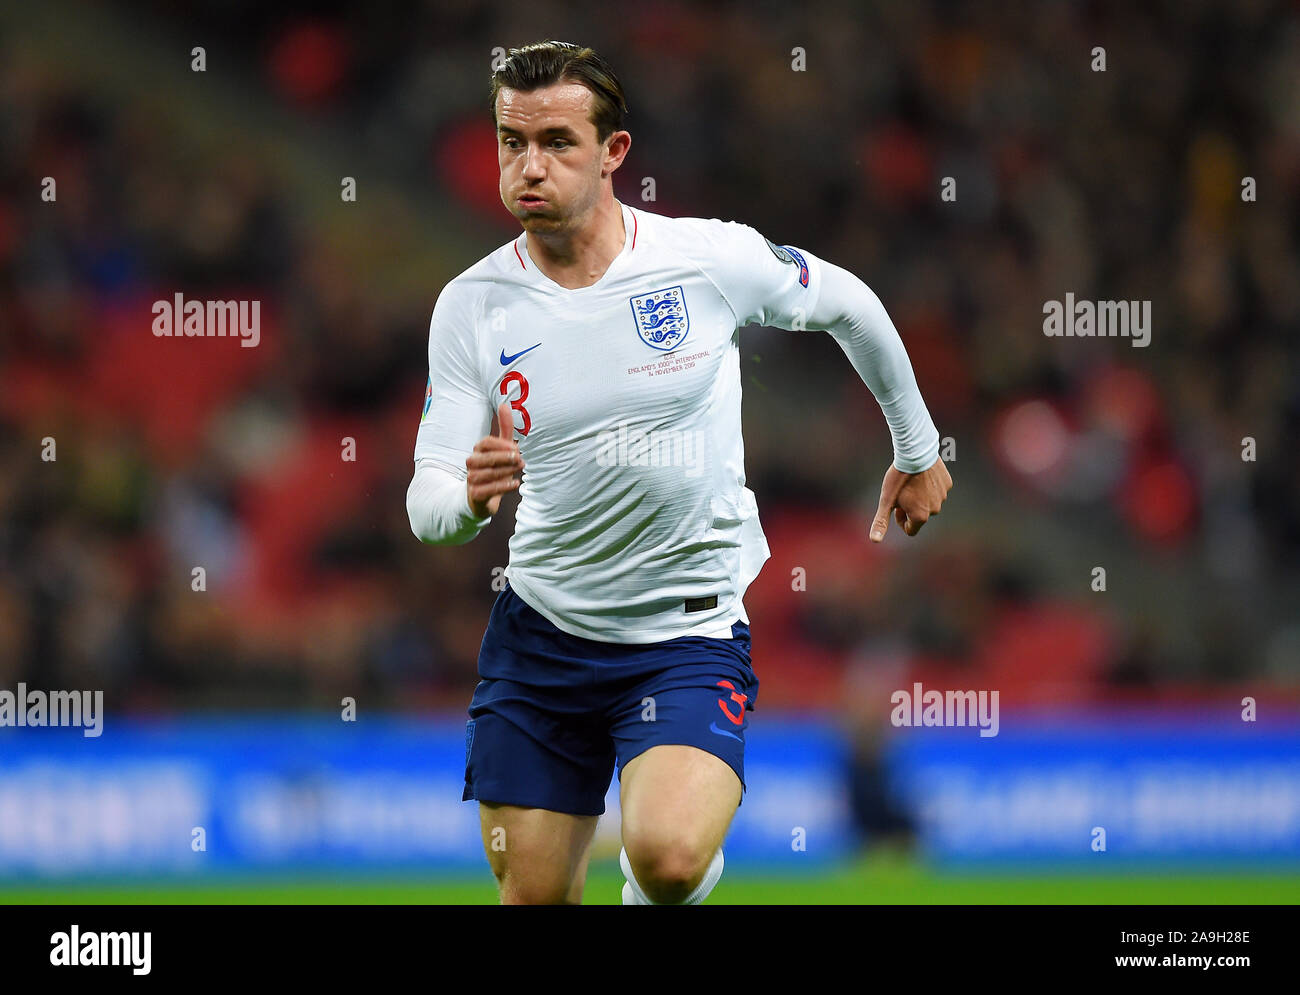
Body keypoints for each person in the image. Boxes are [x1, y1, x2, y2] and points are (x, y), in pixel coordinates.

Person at [406, 40, 952, 905]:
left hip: (684, 635)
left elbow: (848, 302)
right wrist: (465, 505)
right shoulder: (471, 305)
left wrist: (917, 449)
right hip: (542, 635)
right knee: (535, 895)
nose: (528, 165)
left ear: (614, 153)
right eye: (512, 141)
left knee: (665, 858)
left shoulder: (705, 259)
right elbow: (426, 493)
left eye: (557, 142)